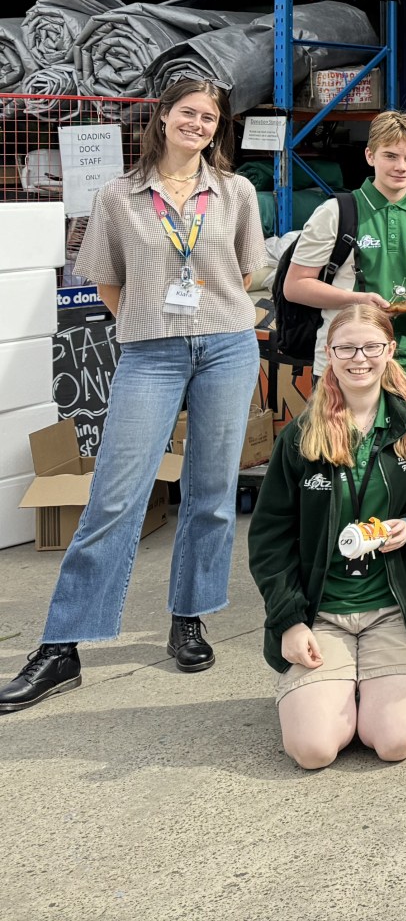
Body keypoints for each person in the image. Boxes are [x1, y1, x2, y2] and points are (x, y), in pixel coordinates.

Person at [0, 79, 265, 712]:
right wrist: (151, 324)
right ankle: (63, 646)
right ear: (163, 117)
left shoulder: (236, 192)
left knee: (211, 494)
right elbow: (108, 282)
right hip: (150, 353)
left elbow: (245, 273)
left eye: (210, 117)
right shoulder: (119, 196)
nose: (198, 124)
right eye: (188, 113)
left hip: (228, 346)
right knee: (115, 498)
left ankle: (190, 617)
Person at [248, 304, 406, 768]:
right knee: (314, 750)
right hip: (322, 613)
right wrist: (288, 621)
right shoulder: (301, 436)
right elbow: (269, 538)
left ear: (391, 350)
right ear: (328, 353)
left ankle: (385, 679)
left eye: (370, 346)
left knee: (391, 742)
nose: (358, 358)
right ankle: (340, 684)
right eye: (346, 347)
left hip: (396, 610)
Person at [282, 109, 406, 403]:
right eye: (390, 156)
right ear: (370, 156)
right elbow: (296, 286)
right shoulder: (336, 212)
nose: (401, 166)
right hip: (348, 360)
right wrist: (360, 300)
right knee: (340, 448)